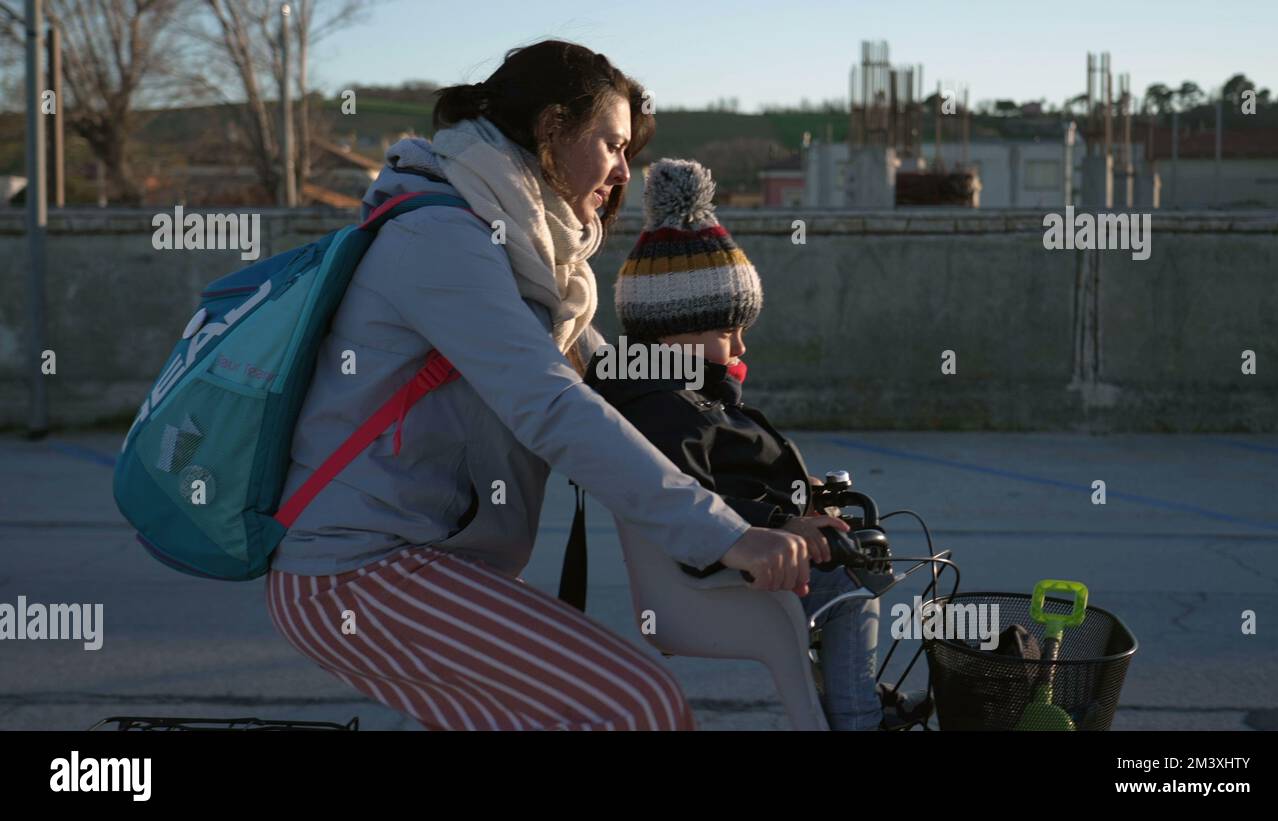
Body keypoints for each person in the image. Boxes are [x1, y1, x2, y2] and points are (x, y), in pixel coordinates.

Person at [263, 40, 817, 731]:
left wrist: (767, 511)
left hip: (438, 567)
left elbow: (621, 392)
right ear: (553, 126)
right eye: (613, 145)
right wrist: (723, 536)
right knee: (633, 705)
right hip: (354, 573)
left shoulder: (525, 253)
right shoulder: (440, 239)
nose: (624, 171)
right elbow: (554, 405)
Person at [583, 158, 885, 730]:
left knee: (860, 552)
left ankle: (851, 692)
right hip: (711, 575)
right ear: (669, 335)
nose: (741, 346)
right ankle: (858, 715)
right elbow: (685, 500)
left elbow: (729, 479)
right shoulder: (664, 406)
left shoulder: (685, 392)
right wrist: (781, 521)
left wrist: (802, 496)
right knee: (849, 584)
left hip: (735, 555)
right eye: (727, 331)